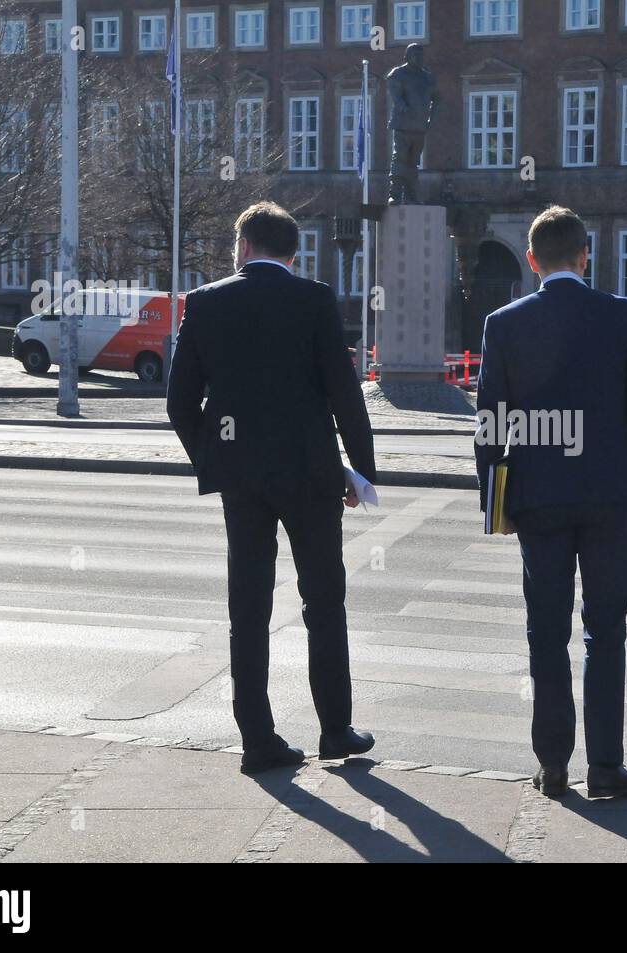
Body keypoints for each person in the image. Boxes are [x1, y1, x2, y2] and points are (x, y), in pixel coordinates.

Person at [167, 201, 377, 775]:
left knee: (249, 607)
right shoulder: (313, 301)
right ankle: (335, 730)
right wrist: (360, 470)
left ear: (243, 247)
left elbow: (179, 403)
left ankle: (258, 740)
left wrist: (215, 459)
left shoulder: (205, 303)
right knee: (323, 602)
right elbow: (344, 392)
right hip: (311, 474)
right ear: (292, 252)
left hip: (241, 477)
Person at [474, 206, 627, 799]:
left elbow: (489, 421)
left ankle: (552, 763)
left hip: (538, 498)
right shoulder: (622, 317)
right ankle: (606, 767)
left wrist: (494, 498)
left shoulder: (503, 324)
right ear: (585, 255)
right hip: (612, 495)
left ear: (531, 261)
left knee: (545, 631)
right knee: (606, 632)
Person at [386, 43, 438, 205]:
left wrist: (431, 118)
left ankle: (411, 195)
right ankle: (394, 194)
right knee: (399, 159)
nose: (419, 58)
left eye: (420, 55)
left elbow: (437, 99)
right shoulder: (398, 74)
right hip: (403, 125)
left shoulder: (427, 77)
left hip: (419, 127)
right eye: (415, 55)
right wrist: (406, 108)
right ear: (407, 56)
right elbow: (396, 97)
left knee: (413, 163)